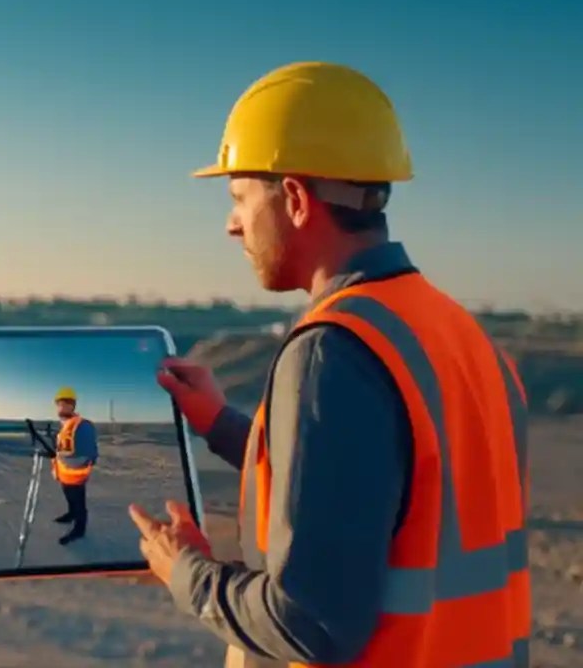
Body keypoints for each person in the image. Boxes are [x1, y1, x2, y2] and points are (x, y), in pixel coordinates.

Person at [127, 61, 531, 668]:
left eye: (239, 197)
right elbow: (370, 484)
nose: (231, 224)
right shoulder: (457, 333)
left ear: (292, 198)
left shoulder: (334, 350)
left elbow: (310, 623)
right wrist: (220, 423)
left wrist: (184, 572)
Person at [49, 386, 98, 546]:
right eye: (60, 403)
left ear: (73, 406)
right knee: (70, 499)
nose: (62, 406)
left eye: (67, 403)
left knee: (79, 503)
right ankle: (71, 514)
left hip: (75, 475)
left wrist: (63, 456)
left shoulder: (82, 425)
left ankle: (79, 529)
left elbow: (88, 454)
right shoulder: (65, 426)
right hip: (64, 474)